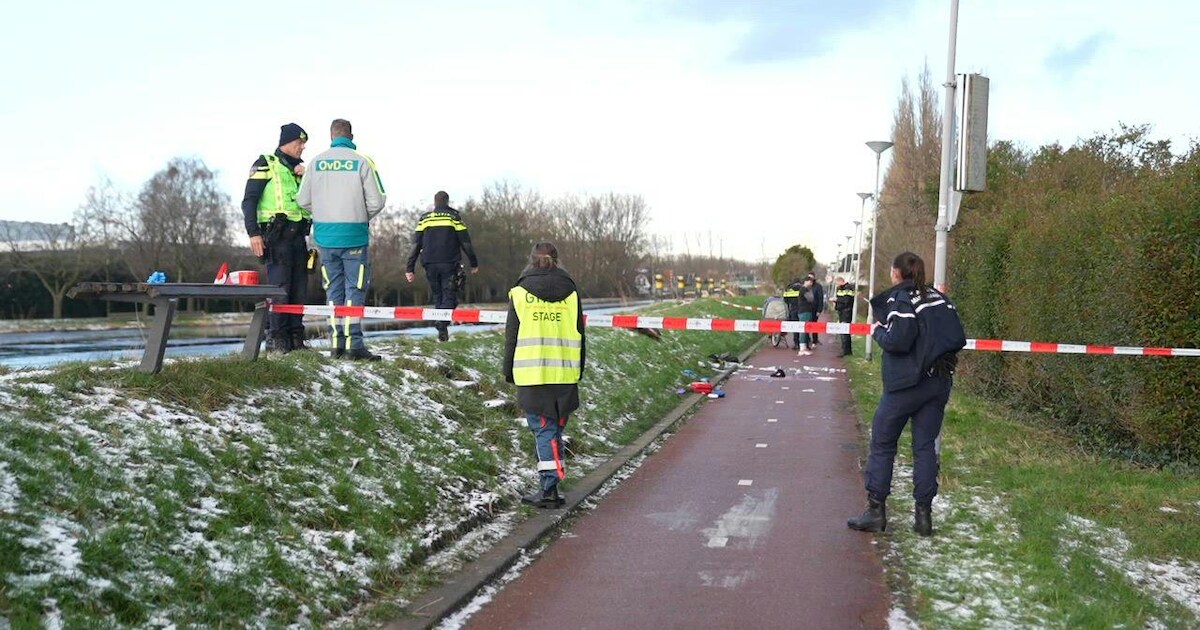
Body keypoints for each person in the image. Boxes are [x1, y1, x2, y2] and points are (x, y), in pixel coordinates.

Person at [847, 252, 966, 537]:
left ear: (896, 273)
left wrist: (877, 332)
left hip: (905, 386)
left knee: (884, 442)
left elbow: (898, 340)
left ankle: (876, 512)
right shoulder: (938, 297)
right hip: (938, 383)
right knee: (925, 447)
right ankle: (923, 518)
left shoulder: (901, 299)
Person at [503, 242, 585, 509]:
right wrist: (579, 369)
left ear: (531, 261)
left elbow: (511, 337)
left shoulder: (519, 293)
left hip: (533, 373)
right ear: (557, 260)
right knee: (553, 430)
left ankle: (549, 487)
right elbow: (580, 335)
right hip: (564, 372)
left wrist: (508, 371)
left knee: (543, 430)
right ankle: (553, 483)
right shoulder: (571, 292)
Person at [297, 118, 387, 361]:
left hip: (325, 238)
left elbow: (302, 200)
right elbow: (378, 200)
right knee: (354, 290)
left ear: (331, 136)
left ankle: (336, 345)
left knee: (333, 291)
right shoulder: (362, 162)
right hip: (354, 236)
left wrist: (324, 214)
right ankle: (354, 346)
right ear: (351, 136)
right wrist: (359, 214)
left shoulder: (315, 163)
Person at [241, 122, 310, 354]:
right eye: (299, 143)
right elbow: (249, 200)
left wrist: (309, 175)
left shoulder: (301, 170)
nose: (302, 148)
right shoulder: (265, 164)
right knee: (280, 289)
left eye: (304, 144)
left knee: (299, 290)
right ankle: (276, 340)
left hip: (299, 236)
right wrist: (253, 233)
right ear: (287, 143)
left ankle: (296, 339)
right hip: (276, 237)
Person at [405, 191, 479, 341]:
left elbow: (415, 244)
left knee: (438, 296)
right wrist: (474, 262)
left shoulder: (424, 219)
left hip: (429, 264)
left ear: (435, 202)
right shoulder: (453, 218)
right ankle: (442, 322)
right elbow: (465, 242)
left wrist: (409, 268)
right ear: (447, 201)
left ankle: (442, 333)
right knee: (450, 296)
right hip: (449, 263)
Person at [833, 277, 856, 357]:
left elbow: (847, 301)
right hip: (841, 312)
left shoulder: (848, 288)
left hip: (846, 313)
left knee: (844, 332)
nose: (836, 285)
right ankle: (847, 350)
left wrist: (836, 300)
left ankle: (845, 350)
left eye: (837, 283)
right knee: (845, 332)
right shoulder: (840, 288)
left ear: (840, 281)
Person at [808, 272, 825, 346]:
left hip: (815, 309)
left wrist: (819, 310)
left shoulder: (818, 287)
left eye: (811, 278)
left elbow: (820, 298)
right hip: (806, 309)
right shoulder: (806, 286)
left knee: (814, 324)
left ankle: (815, 340)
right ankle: (807, 339)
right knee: (806, 324)